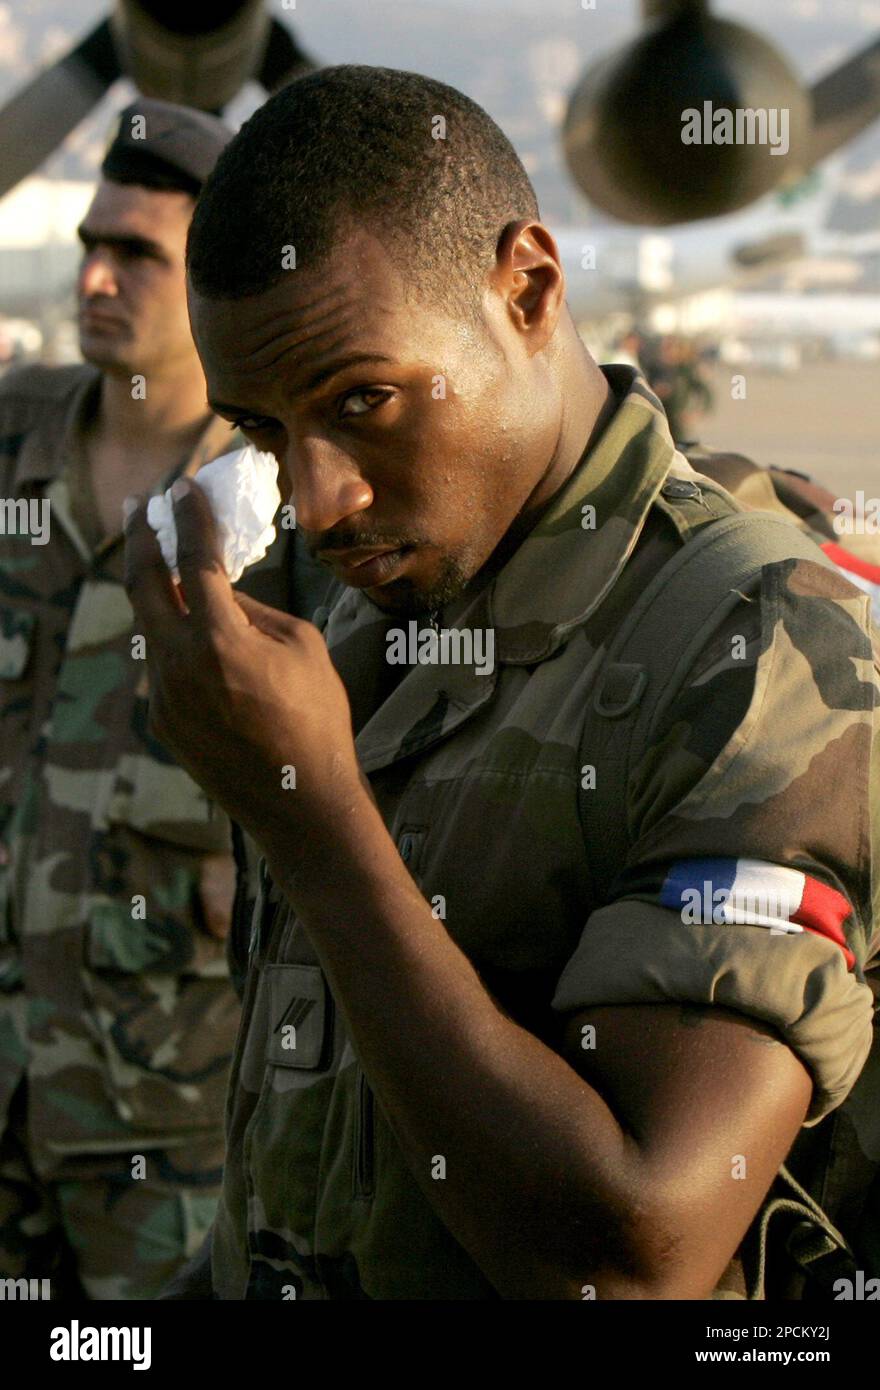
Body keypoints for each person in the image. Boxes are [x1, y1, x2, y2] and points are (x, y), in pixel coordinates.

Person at [124, 67, 879, 1300]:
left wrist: (315, 820)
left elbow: (629, 1261)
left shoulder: (759, 647)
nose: (319, 502)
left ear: (526, 289)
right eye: (264, 432)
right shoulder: (337, 603)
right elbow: (303, 1157)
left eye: (362, 401)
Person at [1, 97, 268, 1299]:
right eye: (91, 247)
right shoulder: (13, 445)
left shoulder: (269, 511)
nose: (99, 276)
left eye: (141, 255)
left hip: (154, 1121)